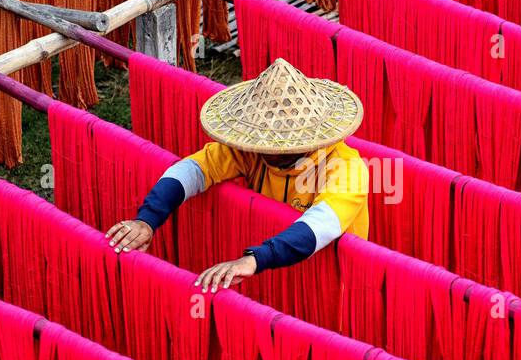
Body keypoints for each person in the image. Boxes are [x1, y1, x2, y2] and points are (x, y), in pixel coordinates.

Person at [106, 59, 369, 292]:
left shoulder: (346, 169)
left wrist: (253, 259)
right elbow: (194, 170)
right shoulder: (252, 148)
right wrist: (148, 220)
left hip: (333, 285)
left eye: (277, 146)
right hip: (274, 274)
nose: (264, 150)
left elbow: (319, 225)